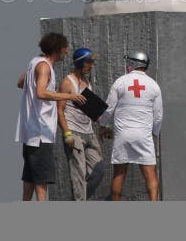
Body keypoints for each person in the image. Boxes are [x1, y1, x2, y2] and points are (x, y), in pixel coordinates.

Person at [15, 32, 86, 201]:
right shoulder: (45, 67)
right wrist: (68, 96)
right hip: (40, 132)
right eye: (65, 48)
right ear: (58, 49)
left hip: (30, 132)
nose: (67, 51)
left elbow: (20, 83)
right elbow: (40, 92)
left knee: (30, 180)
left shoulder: (34, 63)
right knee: (42, 183)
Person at [99, 50, 163, 201]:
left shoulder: (120, 82)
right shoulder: (154, 85)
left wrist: (102, 125)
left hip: (123, 135)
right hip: (143, 136)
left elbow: (109, 108)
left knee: (119, 173)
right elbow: (158, 114)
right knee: (150, 175)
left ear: (133, 63)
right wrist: (155, 132)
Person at [56, 48, 106, 200]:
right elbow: (59, 110)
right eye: (88, 62)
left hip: (89, 132)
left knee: (99, 169)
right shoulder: (67, 82)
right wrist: (67, 133)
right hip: (74, 133)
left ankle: (78, 199)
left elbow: (91, 110)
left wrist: (104, 126)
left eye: (92, 62)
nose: (91, 65)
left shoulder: (87, 82)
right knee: (78, 173)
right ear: (79, 62)